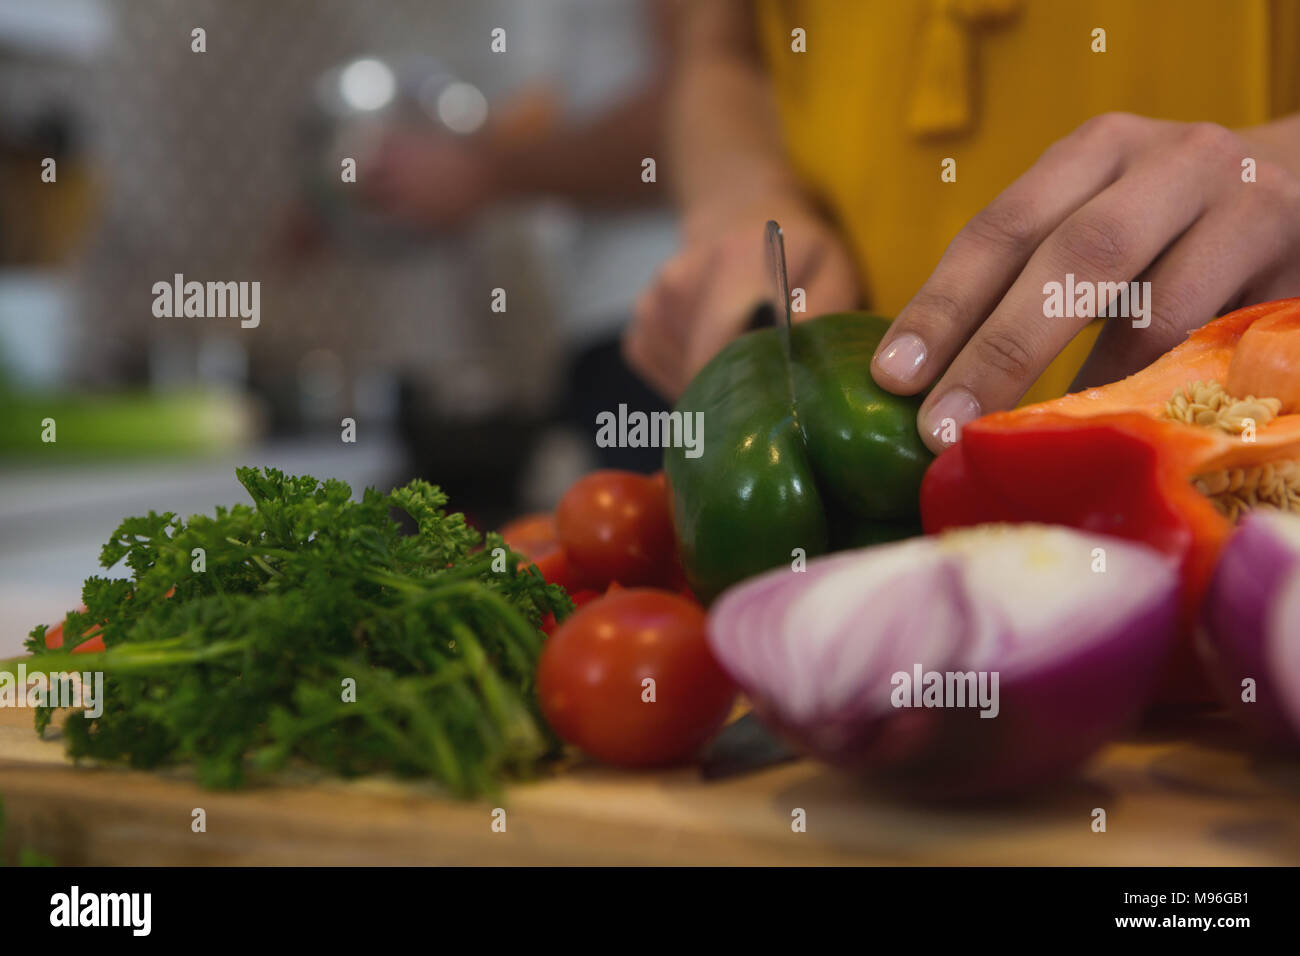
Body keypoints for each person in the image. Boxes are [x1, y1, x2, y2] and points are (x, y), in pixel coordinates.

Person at [624, 0, 1300, 453]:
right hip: (851, 428)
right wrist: (743, 196)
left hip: (1232, 426)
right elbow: (722, 49)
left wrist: (1279, 163)